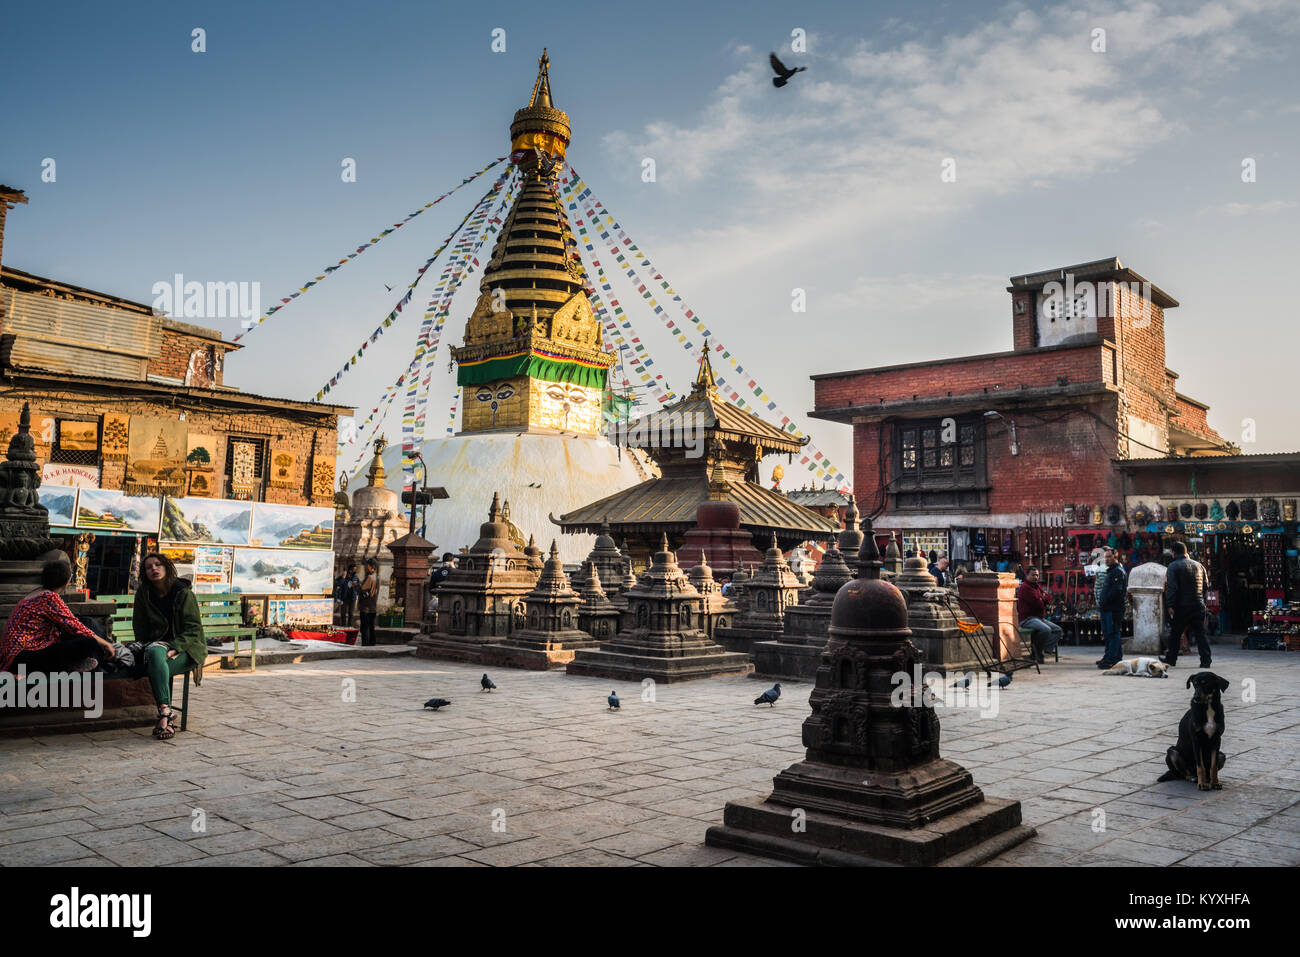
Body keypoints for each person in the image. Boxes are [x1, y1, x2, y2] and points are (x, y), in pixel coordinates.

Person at [132, 552, 206, 740]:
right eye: (149, 567)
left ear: (167, 567)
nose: (154, 569)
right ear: (144, 573)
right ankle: (166, 715)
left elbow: (193, 629)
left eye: (158, 565)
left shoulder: (183, 592)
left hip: (187, 647)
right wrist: (144, 645)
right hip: (157, 645)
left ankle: (165, 716)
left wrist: (173, 648)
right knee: (156, 655)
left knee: (158, 664)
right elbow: (139, 626)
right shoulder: (144, 593)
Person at [1, 559, 116, 675]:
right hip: (21, 659)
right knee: (89, 642)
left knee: (86, 622)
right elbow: (77, 628)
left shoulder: (37, 593)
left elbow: (73, 624)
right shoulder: (48, 598)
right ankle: (96, 665)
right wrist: (107, 644)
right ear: (67, 582)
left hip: (23, 654)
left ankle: (89, 662)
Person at [1162, 541, 1211, 668]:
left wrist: (1170, 605)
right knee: (1200, 633)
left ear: (1173, 553)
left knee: (1176, 633)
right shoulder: (1199, 565)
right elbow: (1206, 587)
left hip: (1181, 606)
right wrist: (1203, 602)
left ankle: (1171, 659)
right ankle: (1206, 660)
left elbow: (1172, 588)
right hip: (1198, 604)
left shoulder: (1173, 566)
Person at [1015, 566, 1062, 664]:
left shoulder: (1036, 586)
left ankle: (1042, 649)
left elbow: (1048, 598)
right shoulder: (1025, 587)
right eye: (1033, 575)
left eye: (1037, 575)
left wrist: (1042, 598)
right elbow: (1038, 604)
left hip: (1038, 618)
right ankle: (1038, 652)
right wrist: (1042, 598)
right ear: (1027, 575)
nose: (1036, 577)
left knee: (1058, 630)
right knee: (1046, 629)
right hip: (1027, 619)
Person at [1094, 547, 1128, 669]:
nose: (1107, 559)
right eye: (1105, 557)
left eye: (1109, 557)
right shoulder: (1112, 571)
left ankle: (1111, 660)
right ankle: (1112, 656)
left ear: (1115, 557)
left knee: (1113, 633)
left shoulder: (1118, 571)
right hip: (1107, 608)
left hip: (1113, 608)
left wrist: (1106, 600)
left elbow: (1117, 591)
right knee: (1109, 633)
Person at [358, 559, 379, 647]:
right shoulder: (377, 577)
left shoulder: (370, 577)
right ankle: (372, 643)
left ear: (371, 566)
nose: (366, 567)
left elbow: (363, 590)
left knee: (365, 627)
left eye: (367, 565)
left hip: (366, 607)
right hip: (373, 606)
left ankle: (365, 644)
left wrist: (357, 586)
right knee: (371, 627)